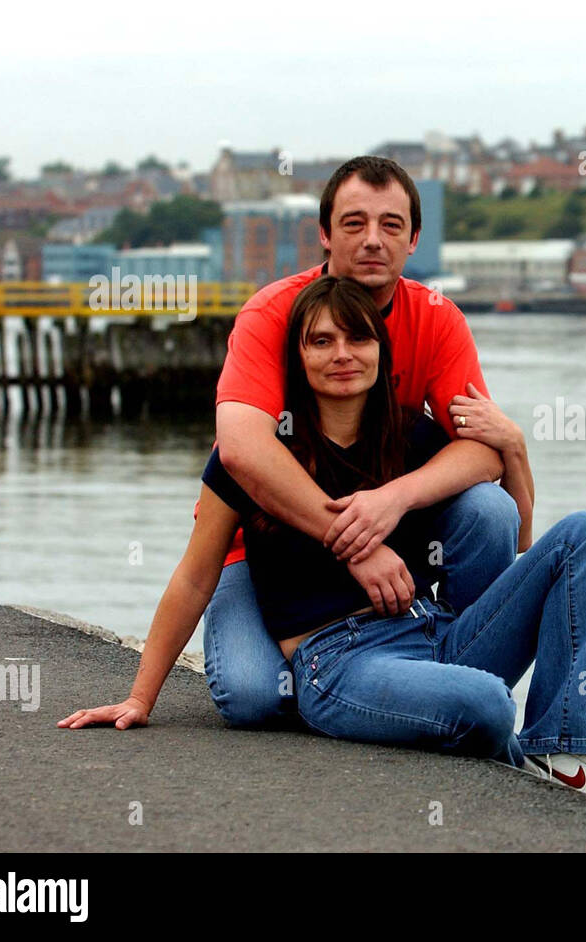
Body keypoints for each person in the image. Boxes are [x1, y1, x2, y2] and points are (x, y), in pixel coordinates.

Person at [58, 276, 586, 811]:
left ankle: (568, 750)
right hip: (337, 663)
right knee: (489, 703)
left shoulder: (410, 436)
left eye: (358, 340)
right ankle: (479, 736)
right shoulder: (260, 460)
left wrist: (516, 453)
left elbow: (520, 540)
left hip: (436, 632)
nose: (342, 354)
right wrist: (139, 698)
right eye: (321, 342)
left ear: (380, 352)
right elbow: (193, 578)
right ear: (297, 357)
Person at [204, 156, 529, 730]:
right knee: (254, 697)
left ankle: (456, 679)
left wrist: (393, 500)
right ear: (325, 234)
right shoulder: (272, 312)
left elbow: (479, 450)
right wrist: (353, 543)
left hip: (385, 527)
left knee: (488, 510)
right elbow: (242, 450)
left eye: (391, 225)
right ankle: (366, 683)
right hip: (264, 548)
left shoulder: (436, 317)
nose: (373, 240)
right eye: (354, 224)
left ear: (414, 239)